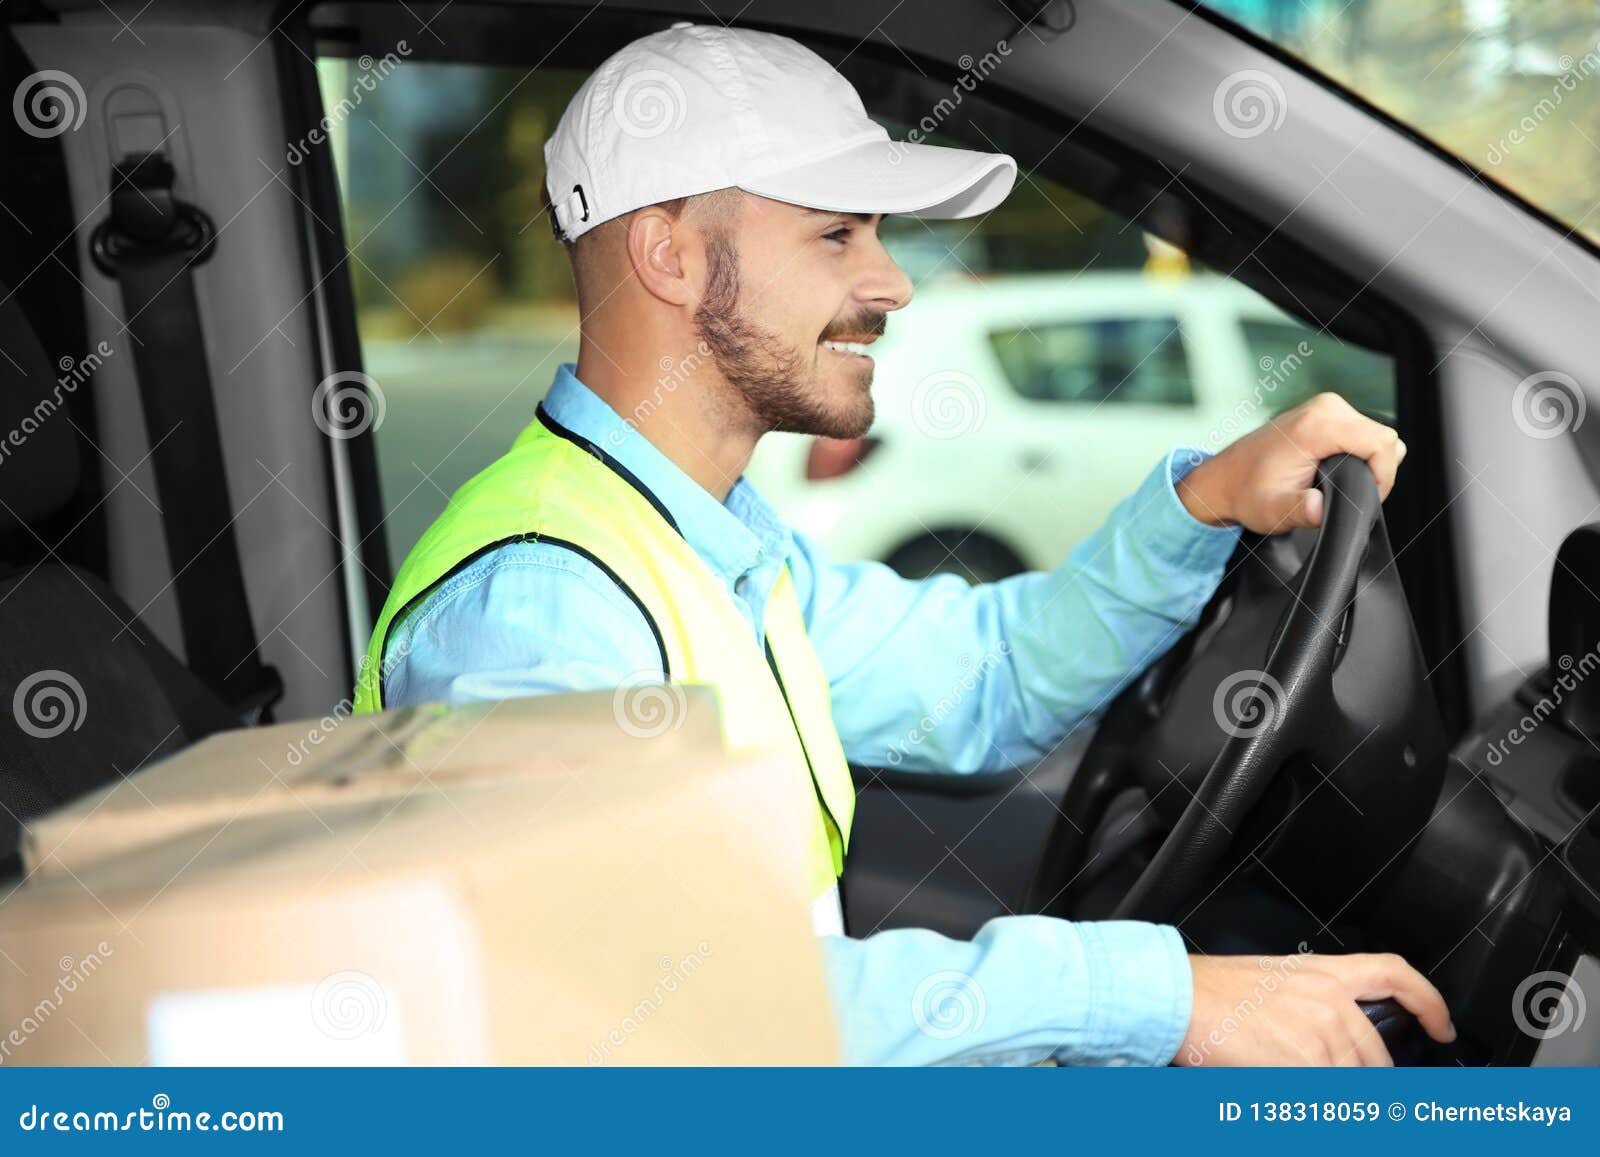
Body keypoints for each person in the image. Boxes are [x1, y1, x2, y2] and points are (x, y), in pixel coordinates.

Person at [353, 23, 1452, 1066]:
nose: (891, 283)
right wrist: (1158, 995)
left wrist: (1204, 501)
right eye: (836, 233)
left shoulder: (705, 543)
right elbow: (663, 1012)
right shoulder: (539, 606)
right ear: (670, 257)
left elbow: (993, 675)